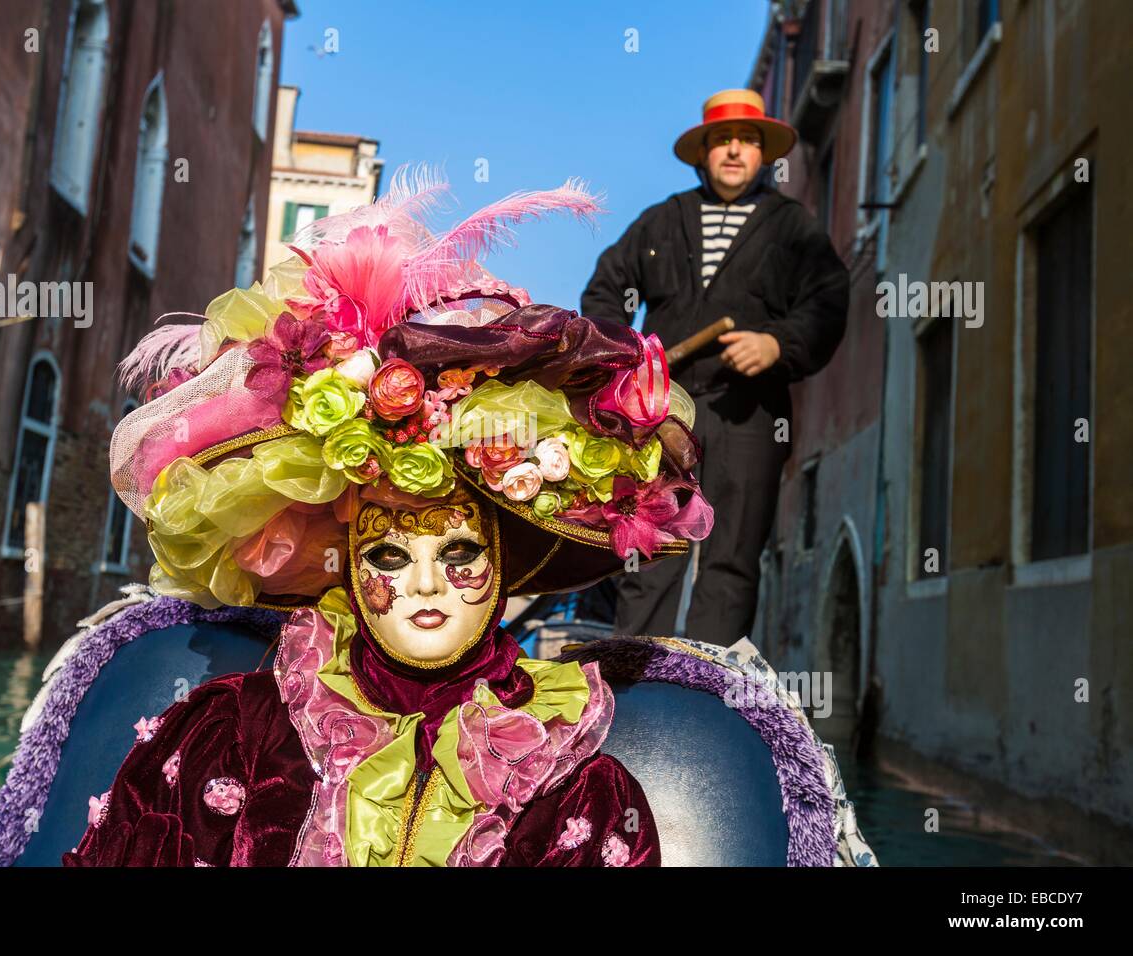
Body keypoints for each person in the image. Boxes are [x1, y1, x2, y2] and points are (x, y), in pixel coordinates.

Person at [62, 171, 713, 866]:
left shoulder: (579, 793)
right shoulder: (232, 734)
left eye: (459, 554)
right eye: (390, 556)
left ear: (503, 564)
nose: (427, 585)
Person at [581, 88, 848, 645]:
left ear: (762, 154)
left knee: (733, 558)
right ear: (704, 152)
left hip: (750, 416)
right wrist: (629, 358)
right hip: (663, 413)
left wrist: (778, 343)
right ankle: (634, 689)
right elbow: (606, 291)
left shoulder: (792, 227)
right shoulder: (661, 222)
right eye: (721, 140)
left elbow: (826, 302)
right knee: (651, 548)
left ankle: (710, 704)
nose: (733, 151)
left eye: (746, 141)